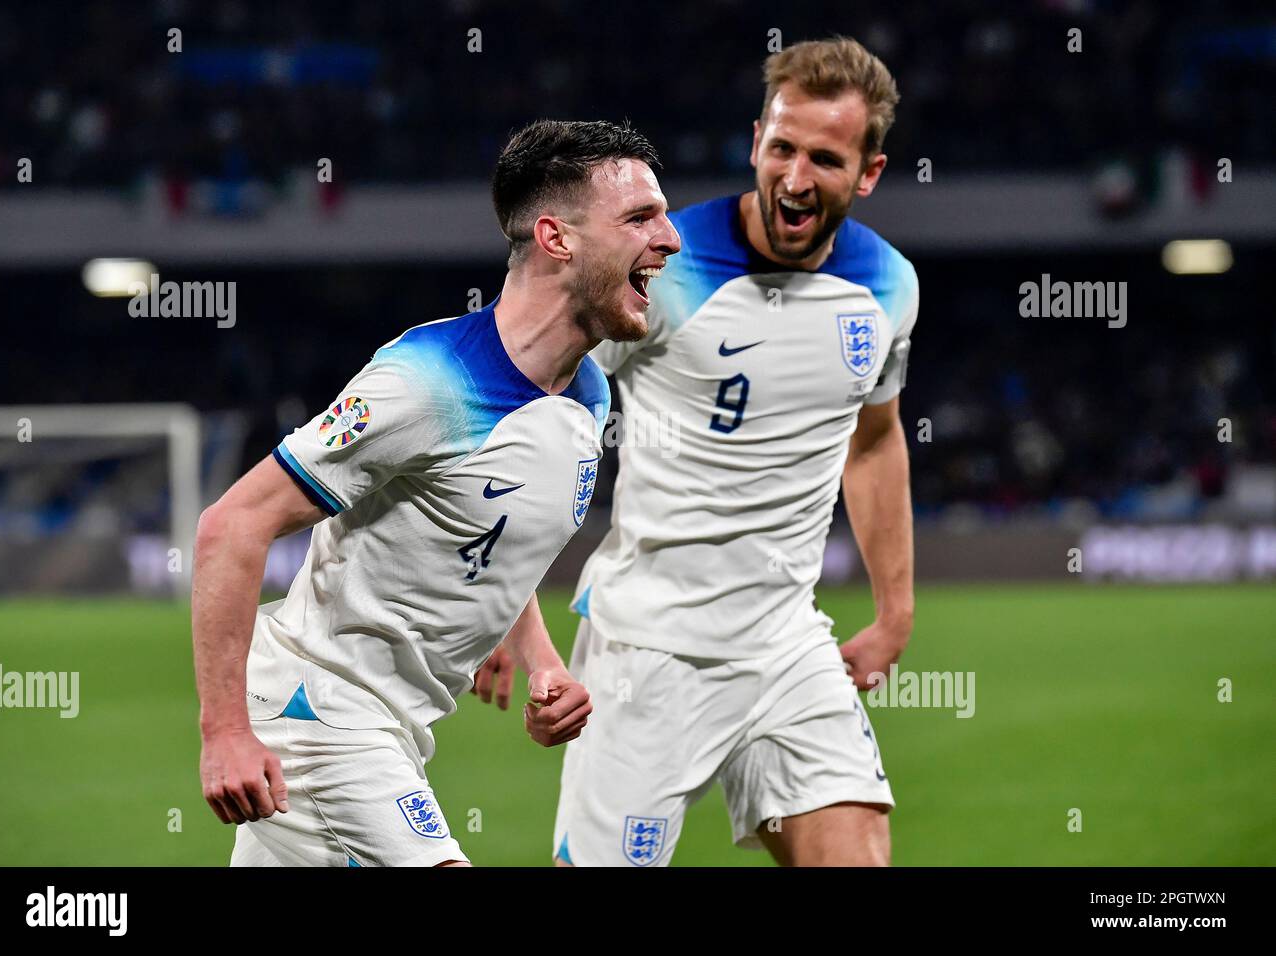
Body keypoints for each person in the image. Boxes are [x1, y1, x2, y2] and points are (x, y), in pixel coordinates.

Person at [192, 118, 681, 867]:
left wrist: (542, 661)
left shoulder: (588, 395)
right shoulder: (423, 384)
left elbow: (487, 530)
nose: (671, 239)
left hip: (394, 727)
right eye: (641, 217)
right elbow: (232, 527)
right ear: (557, 238)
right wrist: (224, 733)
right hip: (321, 713)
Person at [489, 36, 918, 867]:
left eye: (825, 159)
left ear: (868, 174)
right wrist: (503, 618)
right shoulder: (659, 262)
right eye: (782, 148)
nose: (795, 178)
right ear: (757, 138)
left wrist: (895, 614)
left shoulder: (888, 286)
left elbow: (873, 441)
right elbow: (519, 411)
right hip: (648, 653)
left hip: (788, 644)